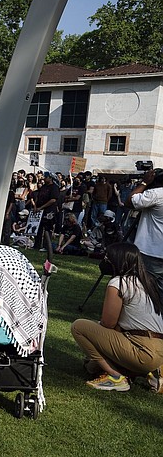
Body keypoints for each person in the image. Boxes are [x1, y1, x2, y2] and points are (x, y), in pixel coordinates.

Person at [71, 243, 163, 392]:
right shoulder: (147, 284)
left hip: (141, 349)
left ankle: (115, 376)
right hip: (158, 348)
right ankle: (152, 372)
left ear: (118, 261)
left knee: (79, 327)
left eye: (109, 257)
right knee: (91, 366)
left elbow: (108, 323)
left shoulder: (118, 282)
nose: (106, 260)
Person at [129, 168, 163, 302]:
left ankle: (153, 317)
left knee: (148, 288)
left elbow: (130, 202)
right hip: (157, 248)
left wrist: (144, 183)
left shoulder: (155, 194)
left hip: (151, 249)